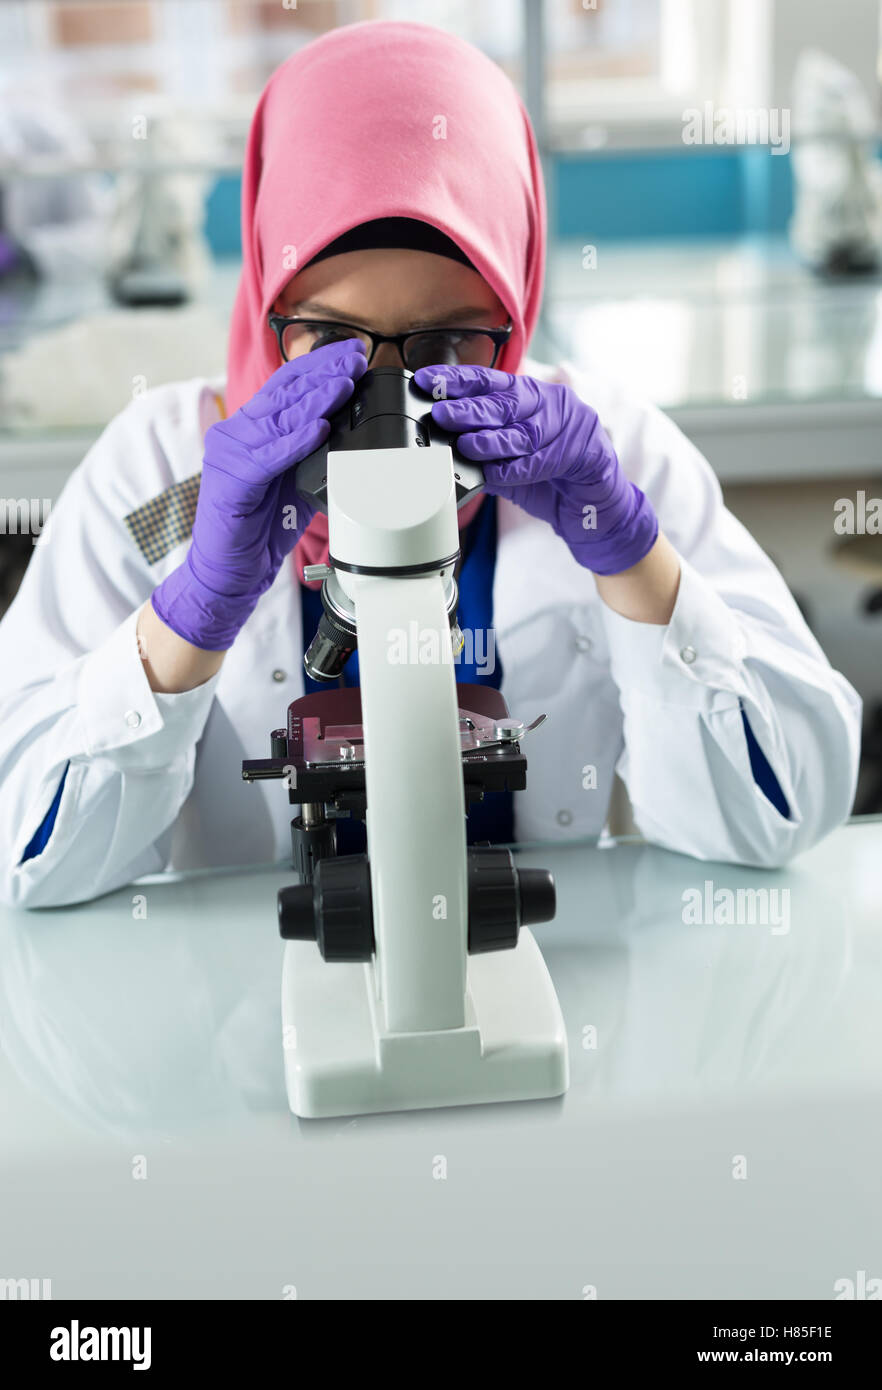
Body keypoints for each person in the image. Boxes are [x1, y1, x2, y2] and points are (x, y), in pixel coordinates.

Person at [0, 21, 861, 908]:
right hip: (239, 1017)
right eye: (330, 338)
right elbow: (28, 861)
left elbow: (782, 818)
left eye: (449, 339)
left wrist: (634, 558)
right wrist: (185, 622)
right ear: (267, 297)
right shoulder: (159, 482)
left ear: (515, 303)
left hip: (550, 981)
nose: (388, 402)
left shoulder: (605, 456)